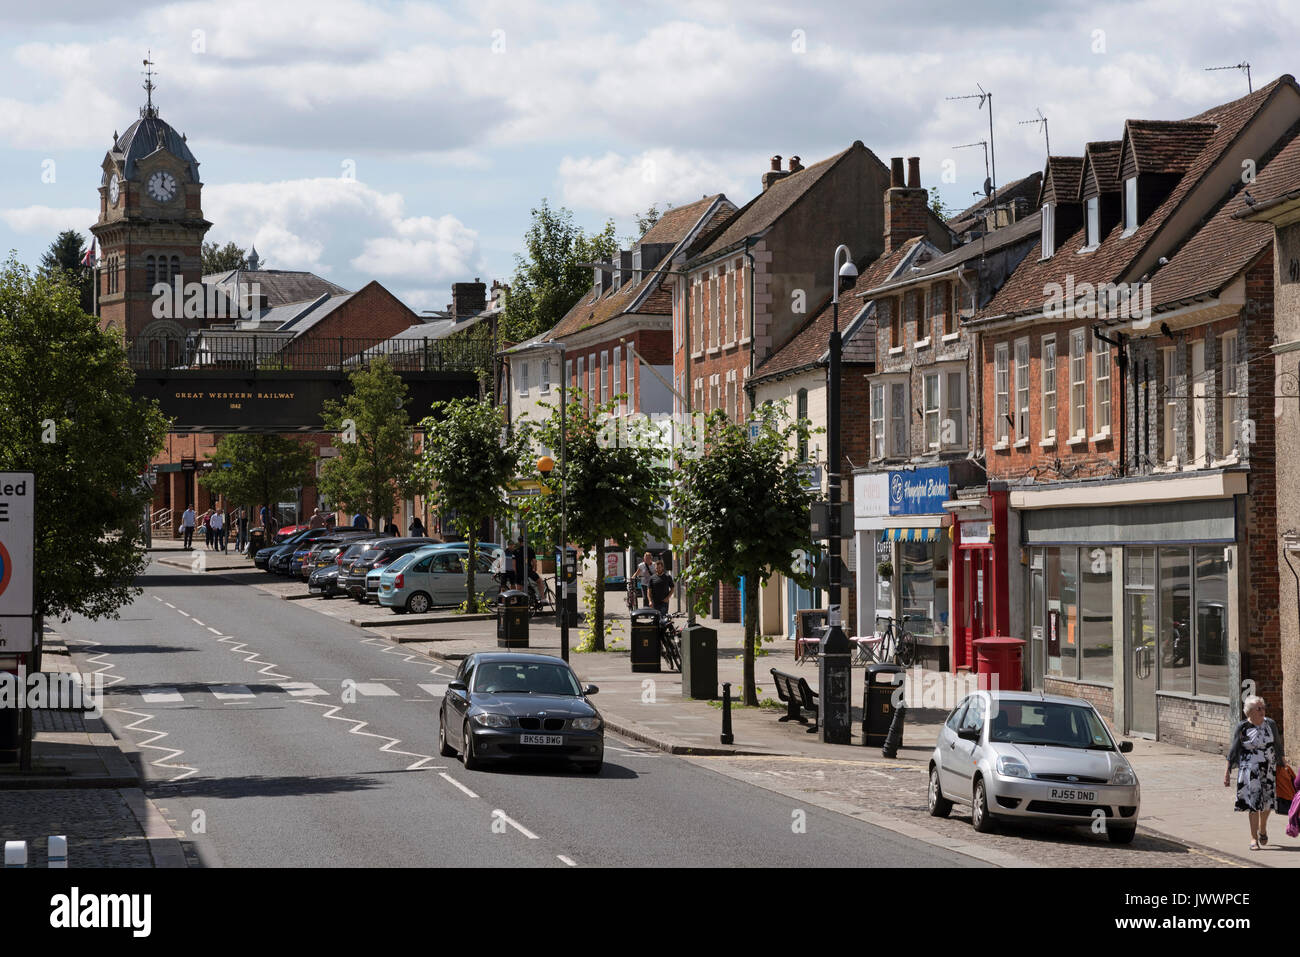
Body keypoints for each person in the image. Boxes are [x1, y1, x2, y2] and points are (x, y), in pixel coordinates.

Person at [1225, 695, 1285, 850]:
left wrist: (1283, 765)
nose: (1262, 711)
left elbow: (1278, 746)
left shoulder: (1270, 724)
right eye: (1259, 708)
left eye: (1263, 708)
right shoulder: (1243, 727)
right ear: (1249, 711)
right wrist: (1227, 771)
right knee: (1253, 804)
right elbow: (1234, 749)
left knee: (1267, 804)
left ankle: (1262, 828)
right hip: (1249, 770)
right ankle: (1253, 838)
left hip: (1269, 769)